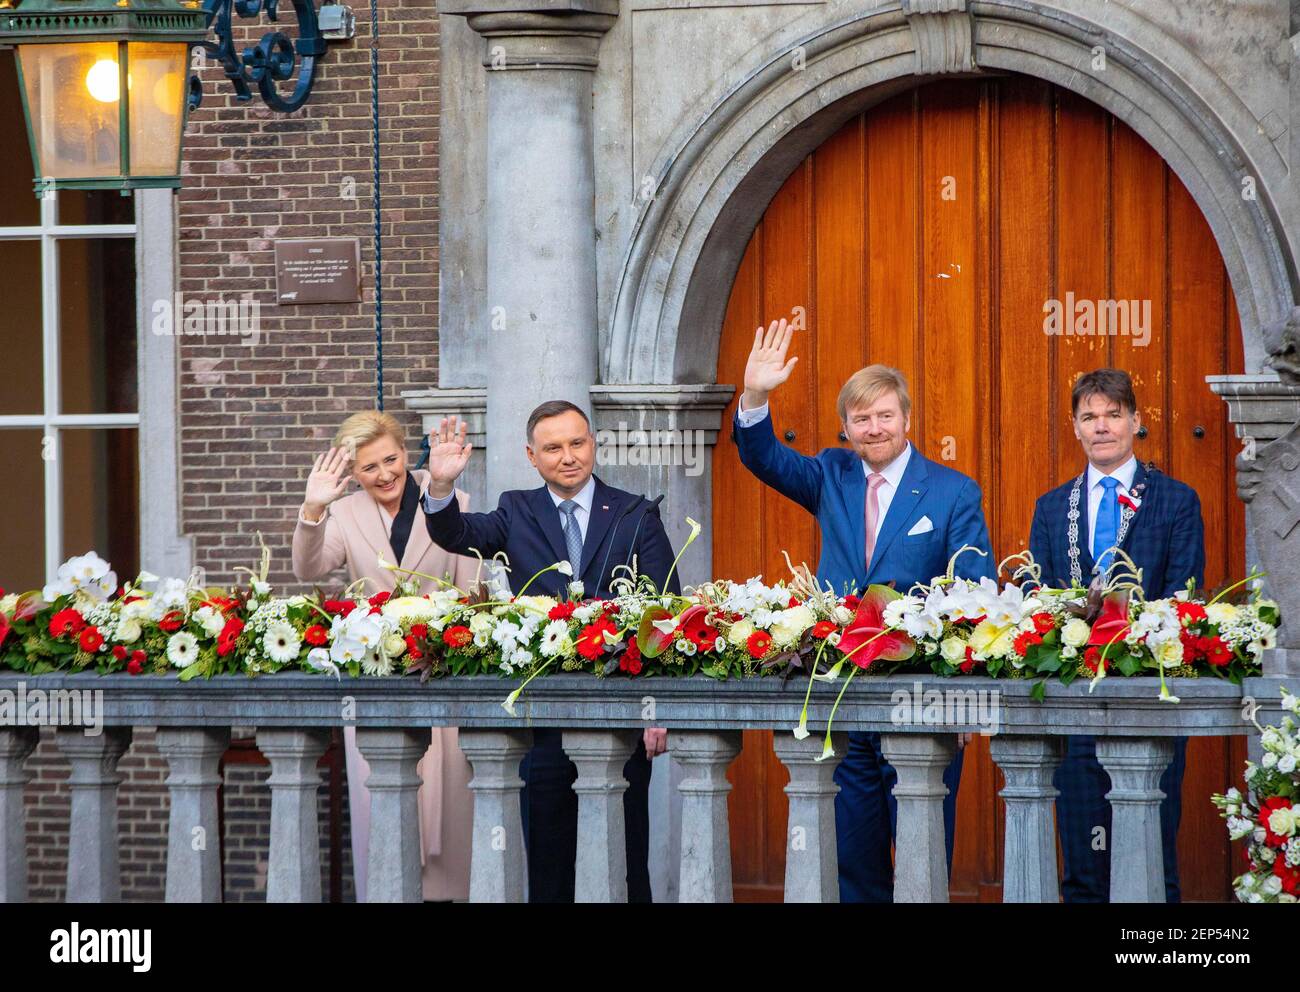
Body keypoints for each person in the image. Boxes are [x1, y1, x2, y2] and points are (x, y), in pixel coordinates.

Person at [732, 317, 995, 902]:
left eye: (884, 416)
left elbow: (976, 591)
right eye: (861, 419)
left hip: (922, 699)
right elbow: (764, 457)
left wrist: (964, 693)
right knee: (853, 857)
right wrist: (755, 395)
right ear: (845, 428)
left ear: (906, 419)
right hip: (842, 698)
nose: (874, 428)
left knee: (924, 855)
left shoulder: (953, 491)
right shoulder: (831, 473)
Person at [421, 399, 678, 902]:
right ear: (532, 456)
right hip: (541, 723)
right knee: (548, 866)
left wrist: (658, 710)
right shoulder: (516, 509)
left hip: (619, 714)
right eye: (553, 447)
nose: (568, 456)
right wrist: (443, 486)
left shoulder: (635, 513)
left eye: (577, 443)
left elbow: (665, 613)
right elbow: (455, 533)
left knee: (627, 865)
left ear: (594, 445)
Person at [1028, 367, 1204, 903]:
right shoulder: (1052, 506)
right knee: (1082, 856)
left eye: (1112, 415)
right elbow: (1035, 597)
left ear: (1135, 421)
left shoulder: (1175, 500)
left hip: (1149, 694)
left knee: (1150, 852)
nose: (1101, 426)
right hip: (1075, 695)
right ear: (1075, 427)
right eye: (1089, 417)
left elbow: (1185, 596)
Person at [292, 410, 480, 902]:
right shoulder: (346, 512)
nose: (384, 474)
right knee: (384, 829)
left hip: (441, 686)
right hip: (374, 686)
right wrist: (312, 511)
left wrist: (447, 644)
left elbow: (473, 594)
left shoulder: (451, 500)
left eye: (391, 459)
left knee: (450, 835)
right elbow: (309, 567)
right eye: (369, 468)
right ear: (353, 474)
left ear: (405, 451)